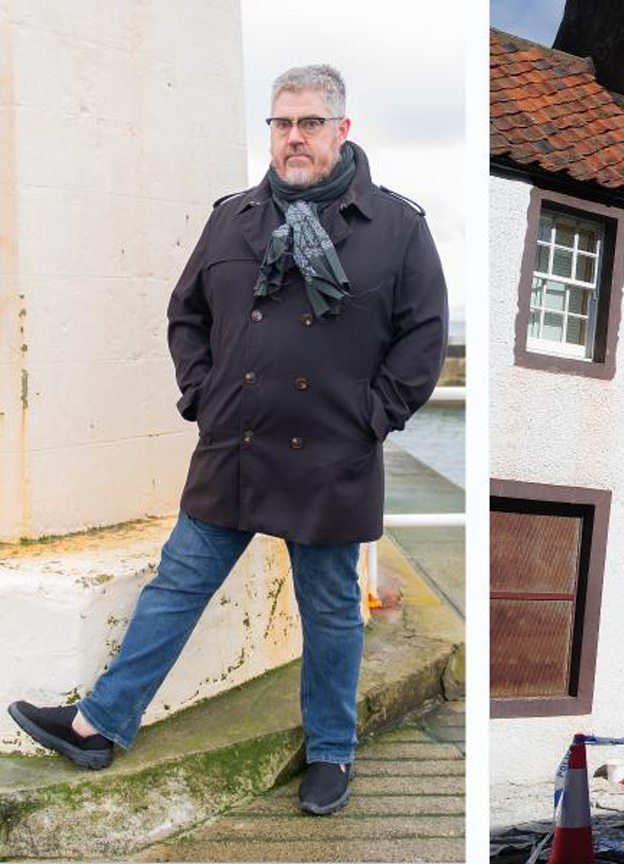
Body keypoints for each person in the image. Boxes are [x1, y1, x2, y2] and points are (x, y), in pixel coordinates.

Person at [6, 64, 448, 816]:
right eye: (281, 124)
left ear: (343, 131)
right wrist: (202, 394)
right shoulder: (235, 217)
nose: (294, 138)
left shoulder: (397, 228)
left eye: (310, 123)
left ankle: (332, 752)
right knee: (178, 585)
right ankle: (97, 724)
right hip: (235, 443)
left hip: (331, 454)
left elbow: (424, 340)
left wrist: (370, 418)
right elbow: (187, 314)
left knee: (333, 609)